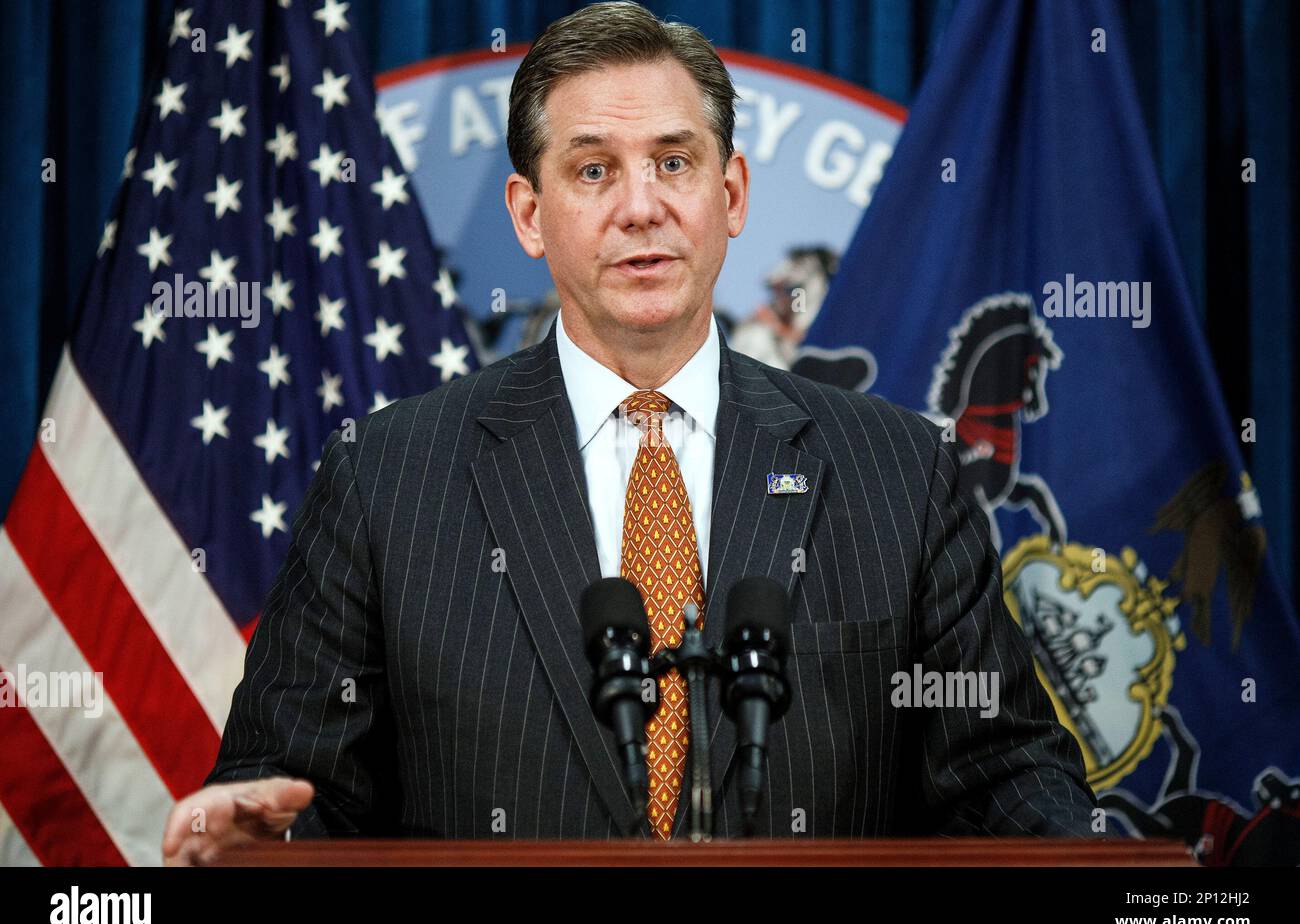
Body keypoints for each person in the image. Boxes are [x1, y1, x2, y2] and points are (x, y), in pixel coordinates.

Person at [162, 0, 1098, 865]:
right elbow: (293, 793)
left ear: (731, 195)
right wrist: (250, 843)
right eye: (595, 169)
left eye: (675, 161)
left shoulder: (897, 469)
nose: (641, 206)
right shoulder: (387, 477)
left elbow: (1000, 774)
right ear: (531, 215)